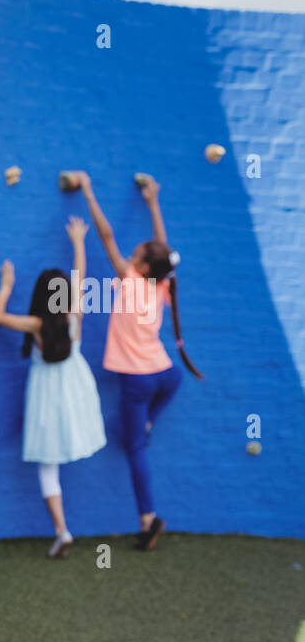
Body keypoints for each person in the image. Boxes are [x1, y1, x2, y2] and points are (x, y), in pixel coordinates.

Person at [70, 172, 202, 551]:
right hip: (166, 375)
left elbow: (108, 236)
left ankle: (147, 517)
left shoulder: (130, 281)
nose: (131, 254)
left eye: (137, 254)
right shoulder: (161, 283)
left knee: (134, 449)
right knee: (139, 431)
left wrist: (90, 192)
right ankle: (144, 423)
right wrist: (153, 202)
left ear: (141, 267)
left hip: (140, 380)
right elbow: (162, 247)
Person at [0, 217, 106, 557]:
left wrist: (7, 285)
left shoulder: (35, 323)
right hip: (74, 390)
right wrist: (79, 242)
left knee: (47, 466)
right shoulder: (73, 314)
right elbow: (80, 279)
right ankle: (63, 532)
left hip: (46, 395)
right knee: (71, 439)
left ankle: (61, 530)